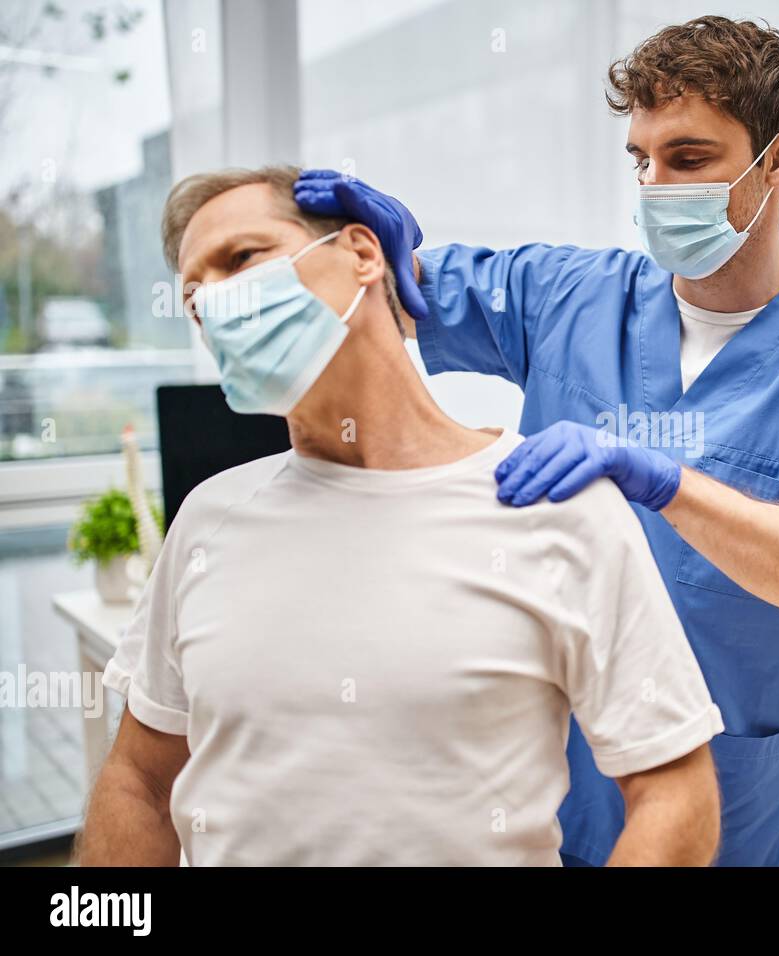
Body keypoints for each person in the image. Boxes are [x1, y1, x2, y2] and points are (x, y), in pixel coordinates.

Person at [296, 16, 779, 867]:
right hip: (541, 804)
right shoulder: (567, 296)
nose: (656, 186)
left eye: (690, 158)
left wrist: (668, 483)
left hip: (725, 814)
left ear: (778, 159)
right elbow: (382, 294)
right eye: (642, 160)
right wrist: (342, 245)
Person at [78, 165, 724, 867]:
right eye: (194, 297)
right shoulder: (209, 520)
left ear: (362, 252)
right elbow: (140, 782)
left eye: (241, 259)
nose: (216, 303)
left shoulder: (552, 506)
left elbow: (675, 794)